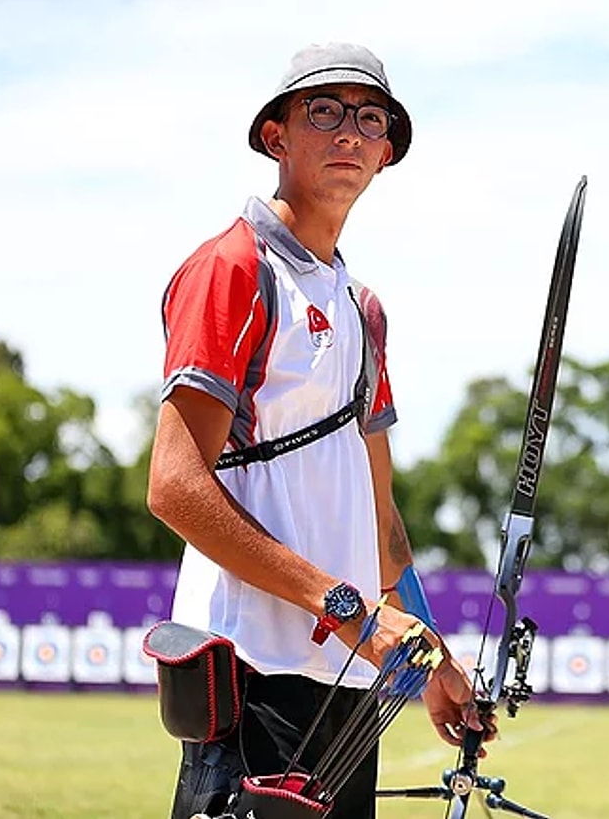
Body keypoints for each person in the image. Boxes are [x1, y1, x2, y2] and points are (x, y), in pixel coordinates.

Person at [147, 42, 491, 819]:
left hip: (347, 675)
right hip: (248, 670)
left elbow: (379, 517)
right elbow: (174, 484)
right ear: (276, 136)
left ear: (386, 153)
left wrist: (425, 650)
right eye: (324, 112)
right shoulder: (232, 267)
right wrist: (345, 610)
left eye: (370, 119)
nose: (349, 133)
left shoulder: (361, 307)